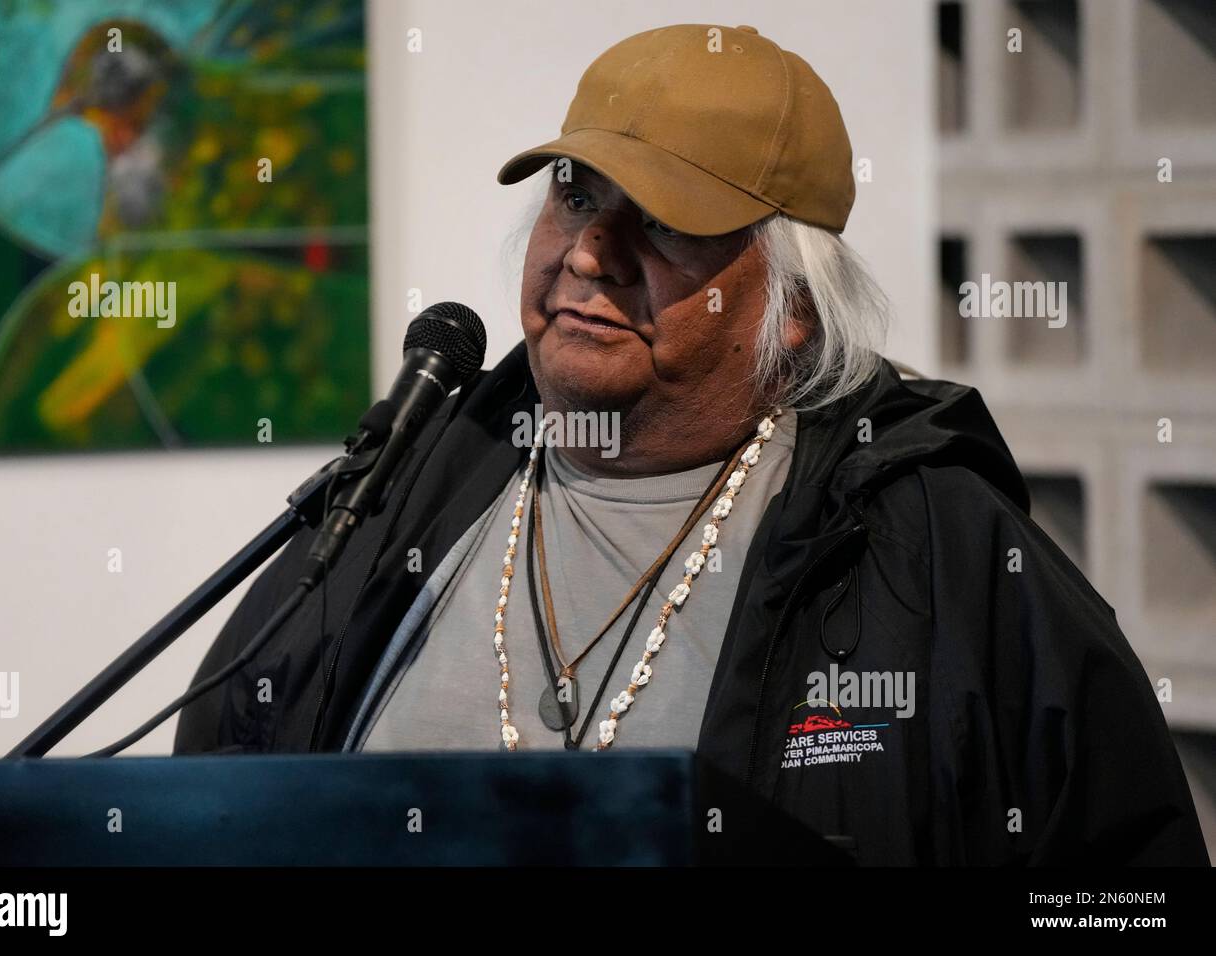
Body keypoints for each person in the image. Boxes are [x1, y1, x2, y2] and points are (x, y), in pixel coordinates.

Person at [175, 23, 1208, 865]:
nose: (588, 250)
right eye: (575, 193)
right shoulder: (398, 493)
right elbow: (206, 800)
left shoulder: (940, 555)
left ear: (794, 305)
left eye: (665, 220)